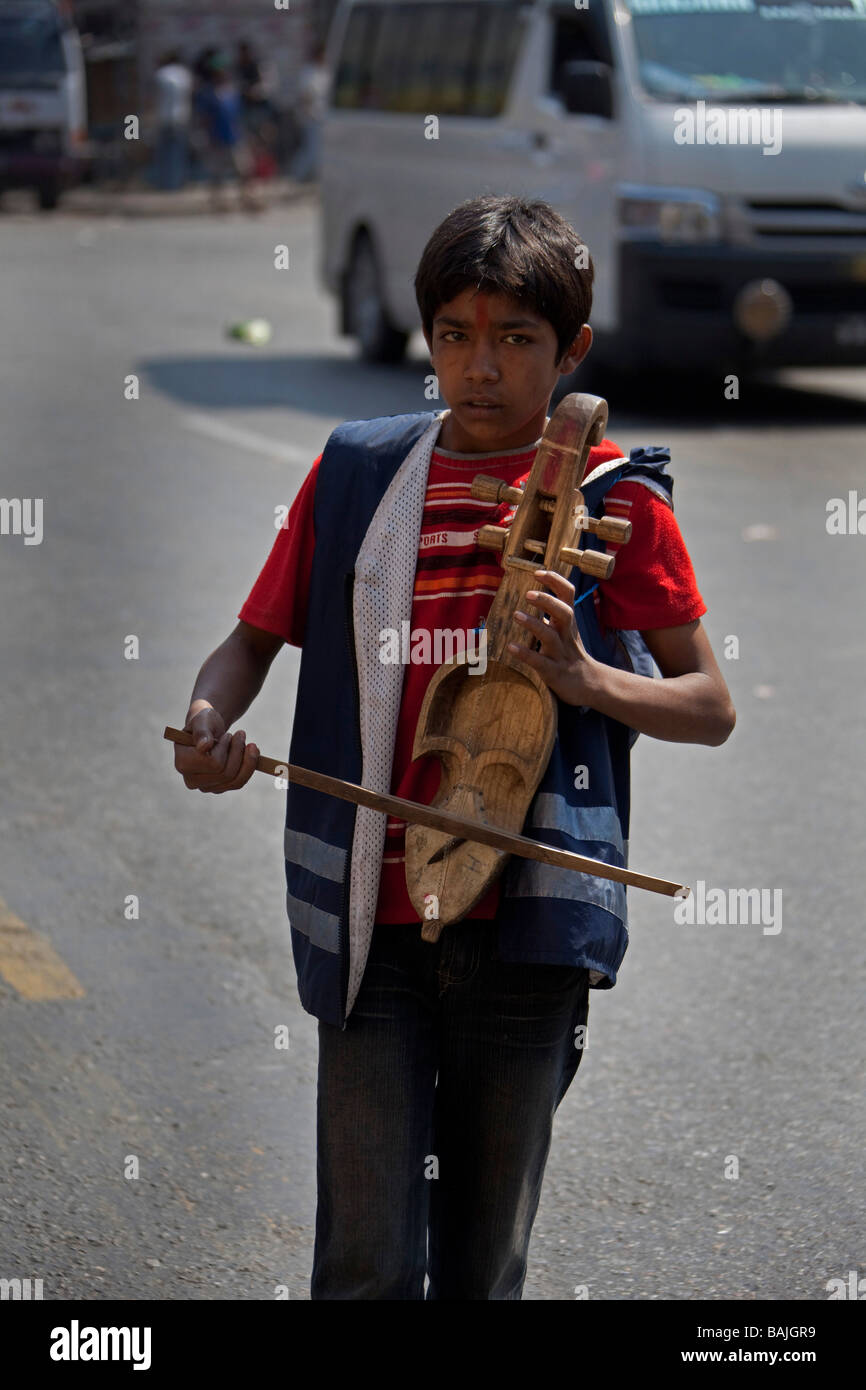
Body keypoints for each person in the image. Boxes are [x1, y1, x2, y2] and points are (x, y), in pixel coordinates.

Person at [172, 195, 736, 1300]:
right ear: (425, 337)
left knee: (484, 1267)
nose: (479, 368)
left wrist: (582, 678)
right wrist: (207, 727)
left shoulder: (618, 502)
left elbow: (708, 703)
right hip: (372, 930)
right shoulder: (356, 477)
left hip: (527, 935)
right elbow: (245, 644)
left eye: (516, 340)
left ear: (570, 348)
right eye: (455, 337)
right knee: (365, 1262)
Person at [193, 51, 259, 212]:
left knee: (245, 170)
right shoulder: (208, 93)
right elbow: (204, 118)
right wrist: (207, 137)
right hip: (217, 138)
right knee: (217, 174)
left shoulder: (232, 92)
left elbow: (238, 115)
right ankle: (217, 202)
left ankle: (247, 199)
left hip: (235, 137)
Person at [152, 51, 192, 191]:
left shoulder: (162, 74)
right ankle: (178, 183)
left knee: (164, 154)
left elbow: (153, 95)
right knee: (179, 153)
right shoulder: (184, 74)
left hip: (164, 118)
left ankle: (165, 184)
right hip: (181, 117)